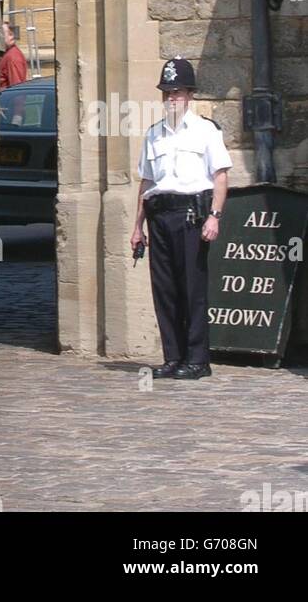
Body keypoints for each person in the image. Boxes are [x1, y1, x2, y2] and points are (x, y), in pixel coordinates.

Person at [131, 56, 232, 380]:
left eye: (177, 92)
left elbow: (220, 177)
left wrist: (214, 217)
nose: (171, 98)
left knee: (192, 289)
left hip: (192, 215)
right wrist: (137, 226)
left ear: (190, 95)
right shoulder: (154, 134)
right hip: (160, 215)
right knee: (165, 290)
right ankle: (173, 357)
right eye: (167, 93)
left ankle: (198, 360)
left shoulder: (205, 130)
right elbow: (147, 183)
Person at [0, 20, 28, 89]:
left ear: (11, 36)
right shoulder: (7, 53)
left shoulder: (12, 57)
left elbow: (17, 88)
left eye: (1, 35)